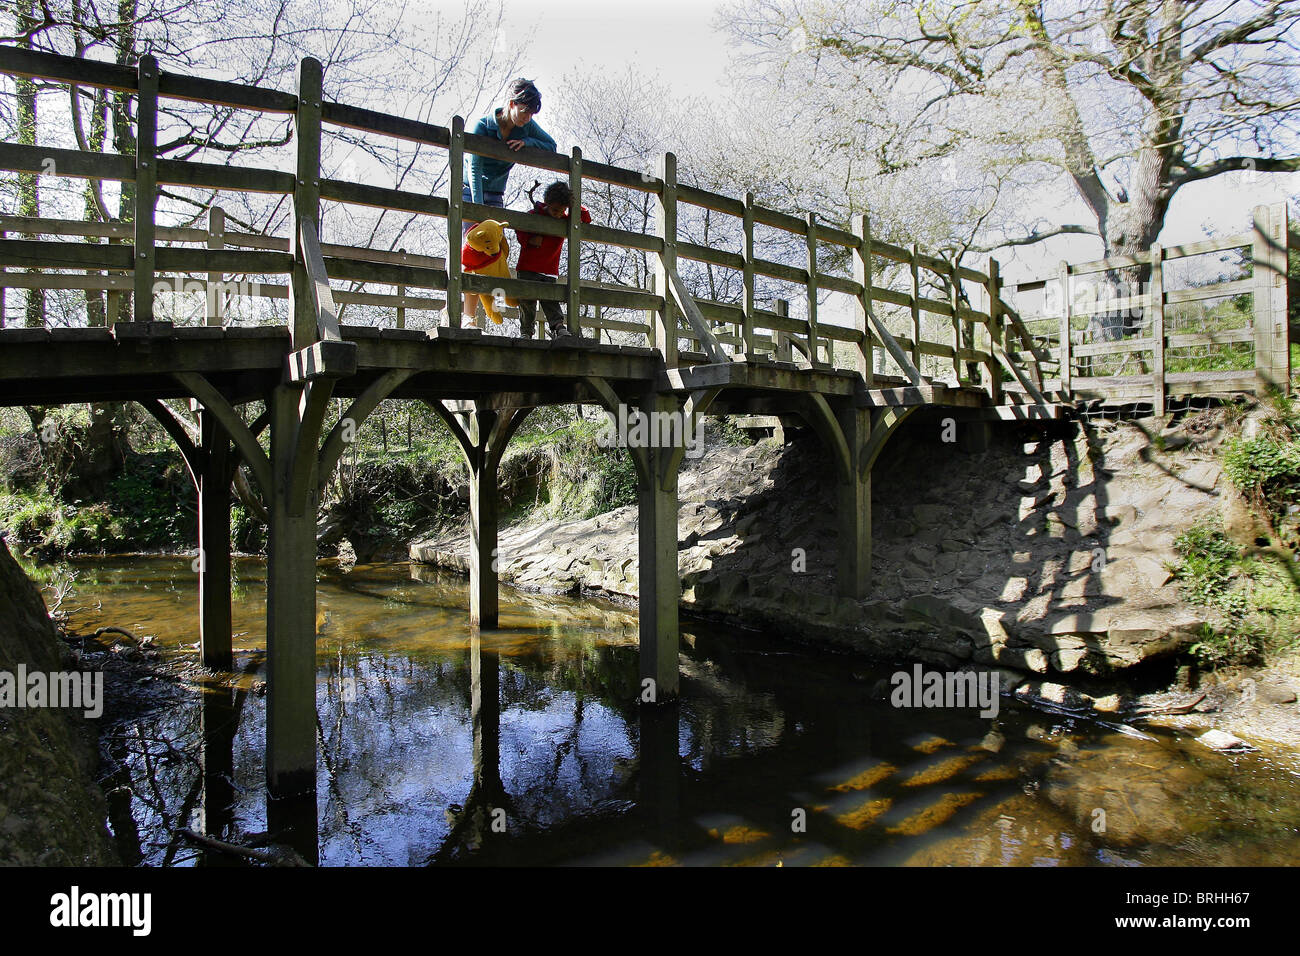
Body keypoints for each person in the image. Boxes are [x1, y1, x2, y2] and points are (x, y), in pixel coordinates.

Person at [461, 78, 556, 326]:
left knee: (495, 252)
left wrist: (528, 142)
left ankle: (492, 312)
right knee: (473, 252)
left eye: (532, 114)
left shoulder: (525, 128)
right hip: (470, 191)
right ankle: (467, 316)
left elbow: (552, 146)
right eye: (524, 112)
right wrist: (478, 209)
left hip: (496, 194)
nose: (527, 119)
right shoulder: (482, 126)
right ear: (511, 103)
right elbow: (474, 167)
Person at [514, 180, 591, 341]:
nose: (557, 214)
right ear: (547, 203)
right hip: (528, 267)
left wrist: (575, 205)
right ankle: (526, 331)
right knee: (527, 300)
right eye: (555, 210)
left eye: (562, 210)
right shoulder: (535, 215)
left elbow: (585, 218)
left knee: (551, 299)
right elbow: (519, 227)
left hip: (549, 269)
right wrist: (529, 240)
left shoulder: (564, 220)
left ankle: (558, 327)